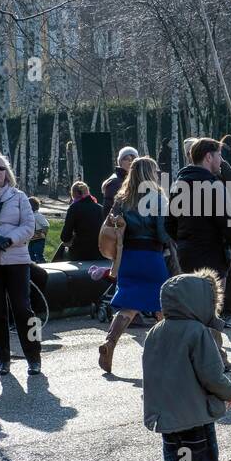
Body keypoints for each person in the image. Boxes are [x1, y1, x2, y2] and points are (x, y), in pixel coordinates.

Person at [118, 271, 231, 461]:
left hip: (170, 420)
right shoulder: (196, 332)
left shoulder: (156, 332)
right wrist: (230, 393)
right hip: (195, 419)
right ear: (198, 302)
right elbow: (211, 374)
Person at [98, 157, 172, 375]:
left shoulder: (122, 199)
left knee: (128, 305)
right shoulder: (157, 198)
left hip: (128, 257)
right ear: (151, 174)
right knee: (162, 304)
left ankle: (110, 342)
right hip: (151, 256)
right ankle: (171, 351)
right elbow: (162, 233)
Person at [0, 151, 41, 376]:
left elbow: (30, 226)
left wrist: (9, 239)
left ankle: (34, 357)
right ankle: (3, 359)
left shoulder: (19, 196)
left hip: (17, 259)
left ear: (7, 172)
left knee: (23, 309)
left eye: (1, 168)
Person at [169, 137, 231, 286]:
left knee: (193, 304)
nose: (221, 160)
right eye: (219, 156)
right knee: (212, 305)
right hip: (213, 256)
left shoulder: (177, 184)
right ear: (209, 157)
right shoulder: (214, 186)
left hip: (187, 256)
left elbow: (169, 223)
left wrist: (184, 240)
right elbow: (229, 226)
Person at [60, 181, 105, 260]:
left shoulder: (74, 208)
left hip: (80, 252)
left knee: (61, 253)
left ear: (74, 194)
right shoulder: (100, 208)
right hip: (99, 251)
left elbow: (65, 236)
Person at [101, 146, 138, 215]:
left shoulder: (137, 179)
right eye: (126, 159)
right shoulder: (114, 182)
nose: (130, 161)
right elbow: (108, 209)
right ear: (120, 162)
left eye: (133, 158)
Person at [27, 196, 49, 263]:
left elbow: (46, 225)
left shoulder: (38, 215)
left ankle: (44, 266)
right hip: (32, 239)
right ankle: (33, 266)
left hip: (39, 239)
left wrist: (43, 234)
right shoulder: (30, 215)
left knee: (38, 254)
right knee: (30, 253)